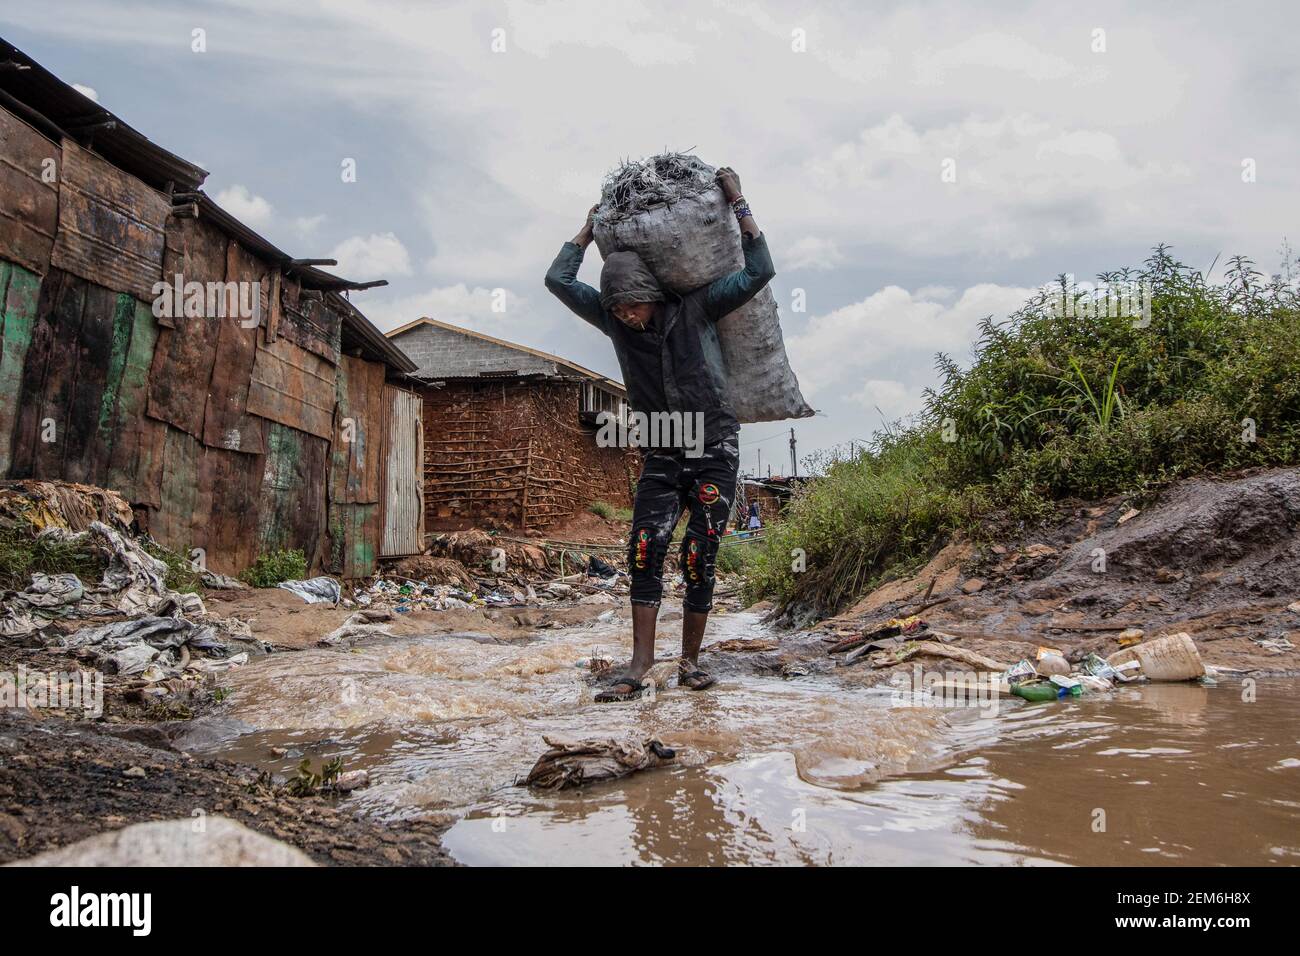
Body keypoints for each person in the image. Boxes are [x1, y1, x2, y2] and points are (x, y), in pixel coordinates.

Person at [545, 167, 775, 702]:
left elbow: (760, 268)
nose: (626, 315)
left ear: (652, 293)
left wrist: (739, 201)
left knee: (700, 550)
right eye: (617, 308)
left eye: (633, 304)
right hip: (662, 445)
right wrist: (585, 233)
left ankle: (691, 662)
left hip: (714, 442)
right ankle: (641, 661)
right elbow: (558, 282)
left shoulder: (697, 309)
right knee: (646, 546)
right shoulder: (612, 323)